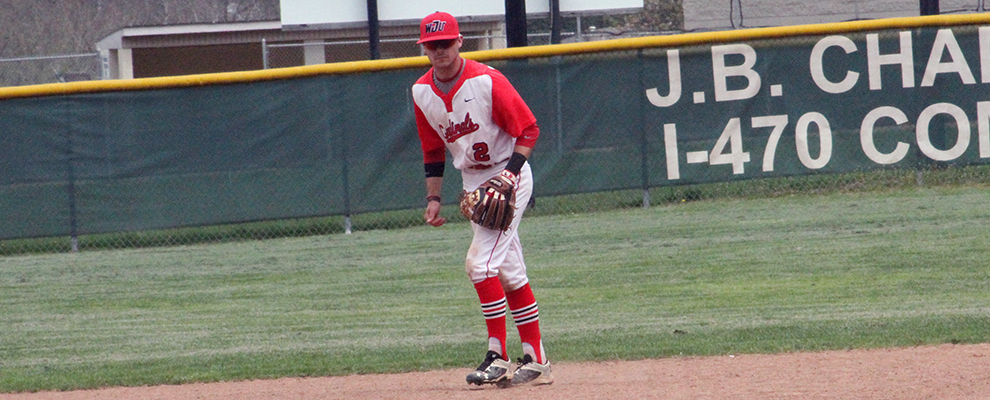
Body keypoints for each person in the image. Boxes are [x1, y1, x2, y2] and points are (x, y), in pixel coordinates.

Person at [411, 11, 553, 388]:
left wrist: (510, 175)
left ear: (460, 42)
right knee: (508, 272)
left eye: (446, 43)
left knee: (479, 265)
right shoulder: (421, 92)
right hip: (473, 182)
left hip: (508, 173)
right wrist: (434, 197)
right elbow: (432, 150)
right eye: (432, 45)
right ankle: (537, 361)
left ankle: (498, 356)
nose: (439, 50)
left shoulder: (488, 81)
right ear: (424, 48)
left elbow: (529, 129)